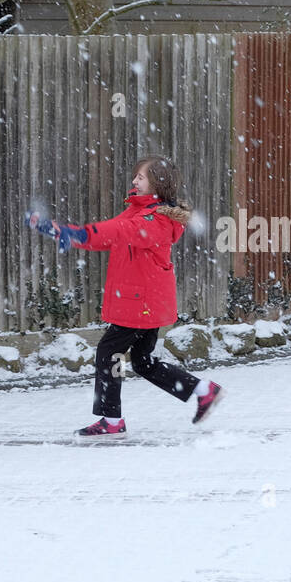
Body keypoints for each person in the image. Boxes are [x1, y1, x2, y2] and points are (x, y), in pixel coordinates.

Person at [26, 156, 224, 437]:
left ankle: (112, 419)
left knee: (109, 353)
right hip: (144, 300)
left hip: (140, 302)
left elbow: (118, 231)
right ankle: (202, 390)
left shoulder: (155, 220)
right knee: (143, 361)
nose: (134, 181)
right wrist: (67, 233)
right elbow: (106, 236)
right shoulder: (139, 212)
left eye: (141, 178)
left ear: (157, 183)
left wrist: (73, 232)